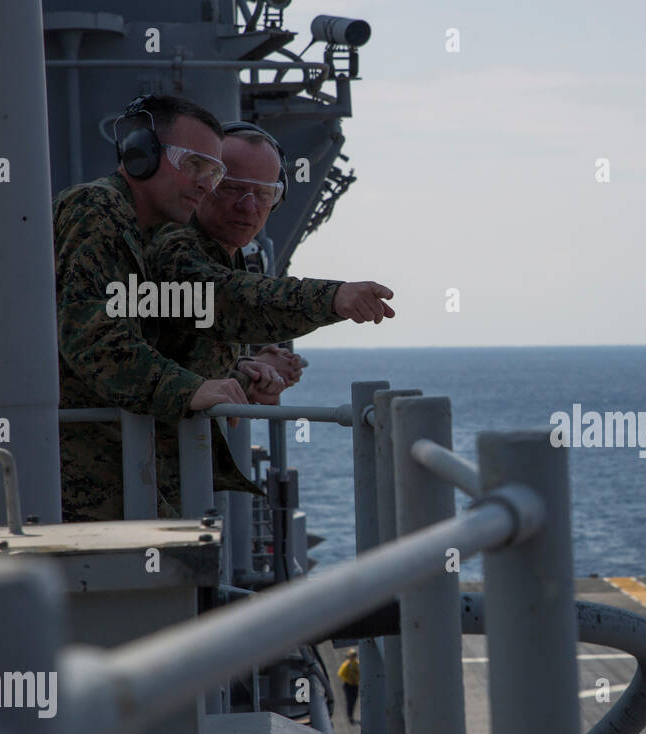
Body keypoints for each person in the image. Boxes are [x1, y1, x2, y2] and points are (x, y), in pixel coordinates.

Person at [144, 121, 395, 512]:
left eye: (263, 194)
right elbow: (223, 301)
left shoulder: (222, 249)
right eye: (231, 189)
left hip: (173, 475)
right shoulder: (175, 246)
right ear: (201, 183)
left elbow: (186, 355)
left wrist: (248, 370)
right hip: (144, 480)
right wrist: (334, 297)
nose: (249, 207)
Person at [53, 94, 250, 521]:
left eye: (214, 172)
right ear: (140, 154)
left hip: (101, 459)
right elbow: (94, 337)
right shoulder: (97, 208)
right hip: (70, 473)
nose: (205, 184)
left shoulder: (140, 230)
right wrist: (190, 389)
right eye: (195, 164)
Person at [337, 648, 360, 724]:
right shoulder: (346, 665)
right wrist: (348, 680)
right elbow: (341, 674)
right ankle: (350, 716)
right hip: (348, 685)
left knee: (353, 701)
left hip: (355, 685)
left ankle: (350, 715)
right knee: (350, 701)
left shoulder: (357, 664)